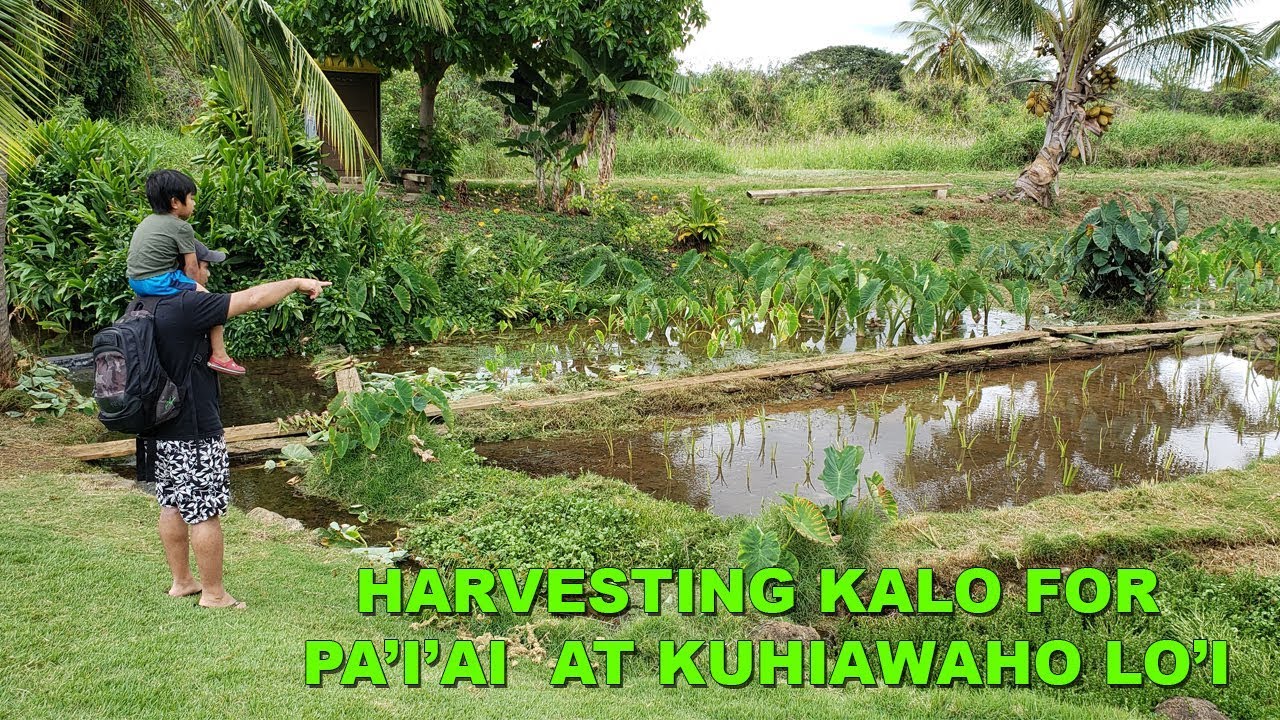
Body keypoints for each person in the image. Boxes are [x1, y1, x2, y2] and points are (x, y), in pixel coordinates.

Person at [137, 249, 330, 610]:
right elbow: (255, 298)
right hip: (193, 427)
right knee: (205, 510)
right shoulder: (189, 304)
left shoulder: (144, 301)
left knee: (172, 502)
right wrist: (296, 282)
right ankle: (213, 594)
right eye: (205, 263)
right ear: (187, 265)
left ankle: (182, 582)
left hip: (159, 424)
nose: (208, 271)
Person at [128, 169, 245, 376]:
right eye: (191, 198)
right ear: (175, 202)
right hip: (157, 279)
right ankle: (220, 355)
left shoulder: (147, 222)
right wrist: (194, 295)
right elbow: (191, 266)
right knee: (211, 302)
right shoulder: (181, 227)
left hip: (135, 281)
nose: (194, 203)